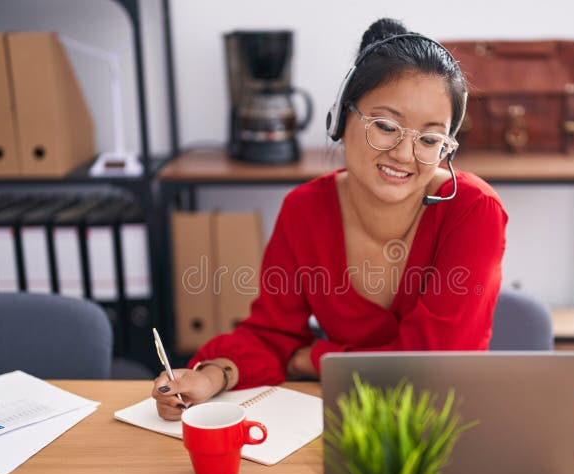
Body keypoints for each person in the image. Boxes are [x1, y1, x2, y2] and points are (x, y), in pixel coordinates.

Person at [153, 18, 508, 420]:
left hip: (438, 422)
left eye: (429, 139)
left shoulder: (474, 211)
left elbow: (433, 364)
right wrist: (213, 376)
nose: (406, 155)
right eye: (386, 126)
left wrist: (312, 359)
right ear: (341, 119)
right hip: (343, 416)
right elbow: (271, 334)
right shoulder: (304, 209)